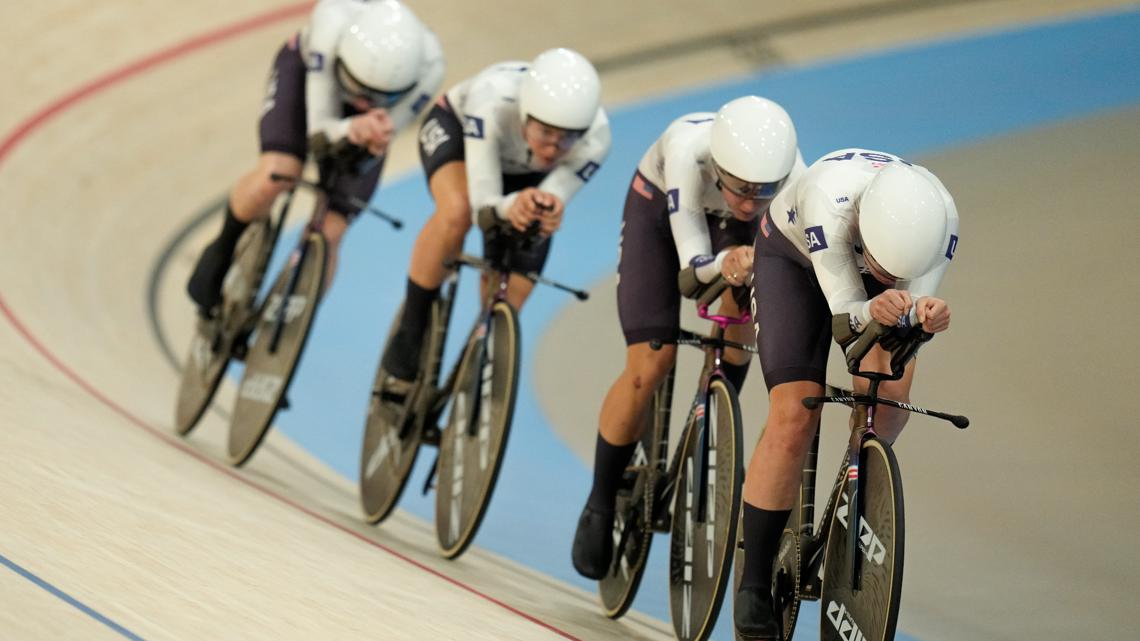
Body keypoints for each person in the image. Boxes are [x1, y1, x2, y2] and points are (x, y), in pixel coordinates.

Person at [569, 96, 806, 580]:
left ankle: (714, 415)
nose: (749, 202)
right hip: (662, 215)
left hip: (740, 235)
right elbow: (693, 271)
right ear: (718, 165)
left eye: (763, 192)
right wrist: (726, 263)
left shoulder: (794, 177)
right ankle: (600, 500)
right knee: (650, 364)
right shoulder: (686, 152)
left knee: (747, 307)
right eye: (741, 189)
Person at [734, 149, 960, 639]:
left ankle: (852, 490)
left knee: (889, 406)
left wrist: (923, 315)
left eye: (895, 271)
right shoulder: (829, 201)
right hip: (795, 259)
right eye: (881, 265)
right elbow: (846, 317)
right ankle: (753, 582)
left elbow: (908, 311)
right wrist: (875, 306)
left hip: (869, 276)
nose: (888, 276)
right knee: (795, 412)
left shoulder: (941, 220)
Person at [375, 47, 611, 398]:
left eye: (567, 137)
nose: (553, 148)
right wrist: (509, 206)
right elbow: (483, 205)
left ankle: (475, 362)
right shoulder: (492, 102)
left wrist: (542, 211)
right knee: (456, 213)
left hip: (525, 176)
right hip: (461, 136)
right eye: (546, 132)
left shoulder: (596, 138)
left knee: (518, 268)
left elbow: (552, 195)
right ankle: (412, 326)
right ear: (525, 115)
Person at [186, 0, 444, 317]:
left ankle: (293, 322)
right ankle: (222, 248)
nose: (363, 102)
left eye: (378, 96)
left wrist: (369, 131)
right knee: (278, 172)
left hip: (371, 122)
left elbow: (384, 133)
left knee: (332, 229)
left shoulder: (431, 68)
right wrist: (352, 127)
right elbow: (318, 133)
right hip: (310, 80)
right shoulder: (329, 27)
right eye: (358, 88)